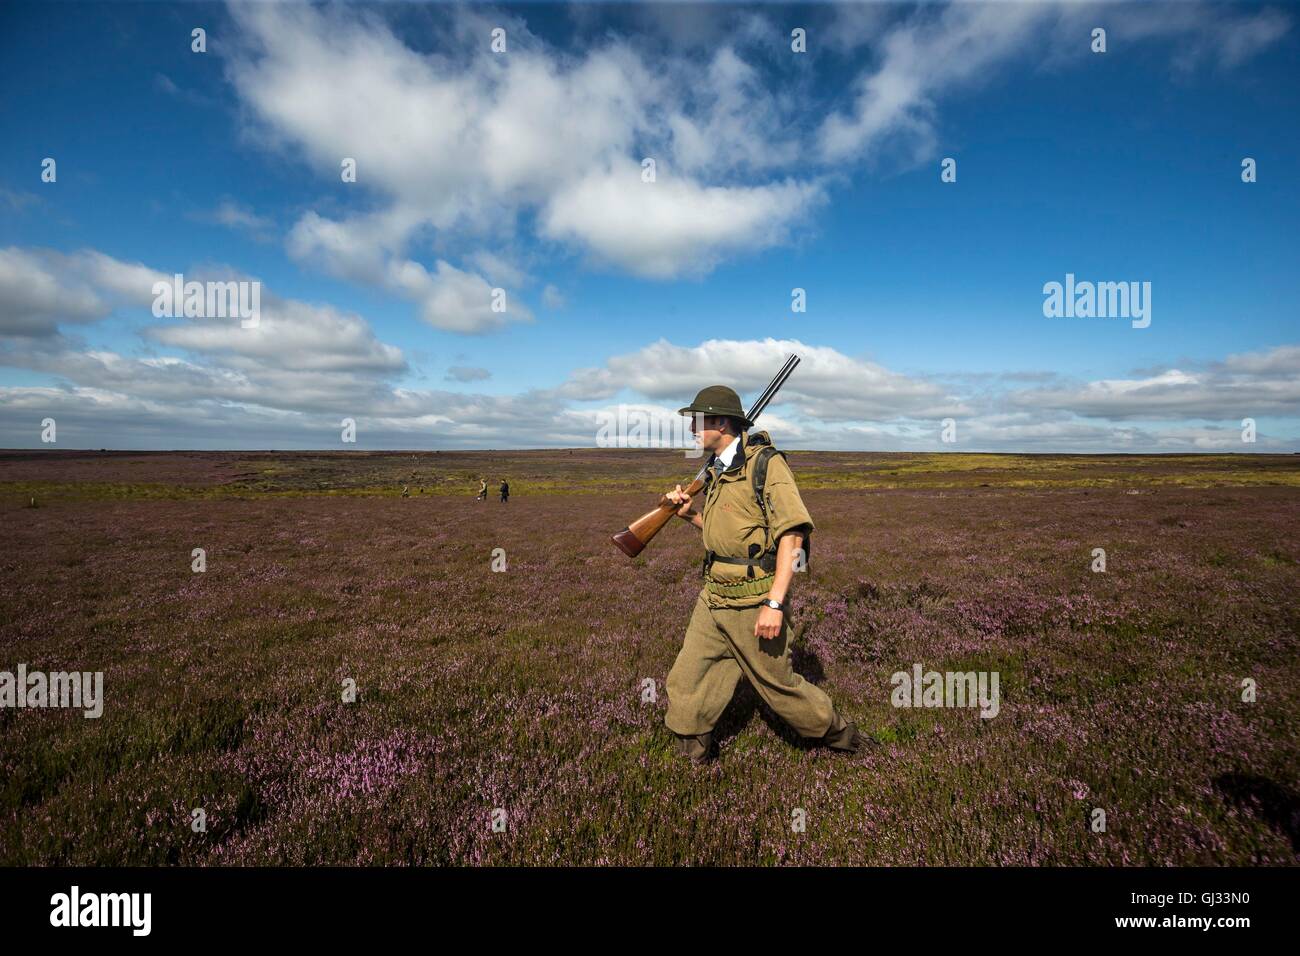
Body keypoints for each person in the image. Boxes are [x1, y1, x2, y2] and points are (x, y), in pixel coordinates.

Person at [663, 385, 864, 764]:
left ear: (721, 423)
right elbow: (731, 535)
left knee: (778, 686)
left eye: (698, 420)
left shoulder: (766, 465)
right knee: (688, 677)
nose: (691, 428)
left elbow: (792, 533)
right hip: (714, 595)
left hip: (753, 597)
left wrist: (774, 601)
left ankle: (841, 735)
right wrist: (692, 516)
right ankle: (693, 756)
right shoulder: (718, 471)